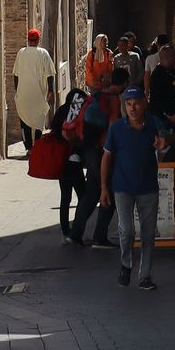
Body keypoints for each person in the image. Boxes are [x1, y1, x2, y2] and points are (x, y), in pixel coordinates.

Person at [100, 85, 173, 290]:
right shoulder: (116, 128)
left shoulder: (153, 124)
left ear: (144, 103)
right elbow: (107, 157)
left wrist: (164, 142)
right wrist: (104, 188)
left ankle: (145, 276)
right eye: (128, 104)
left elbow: (169, 137)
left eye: (136, 104)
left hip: (148, 187)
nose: (132, 108)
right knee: (126, 230)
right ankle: (126, 264)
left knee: (149, 234)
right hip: (122, 187)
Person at [68, 67, 125, 247]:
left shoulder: (99, 95)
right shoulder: (114, 99)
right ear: (124, 83)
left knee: (91, 193)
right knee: (109, 192)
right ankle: (100, 236)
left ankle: (75, 233)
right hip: (103, 152)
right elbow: (114, 127)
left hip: (90, 150)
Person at [53, 78, 92, 240]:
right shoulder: (75, 115)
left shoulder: (60, 111)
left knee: (65, 197)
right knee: (83, 196)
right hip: (73, 161)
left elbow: (54, 130)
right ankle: (76, 230)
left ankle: (65, 231)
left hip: (60, 160)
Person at [13, 28, 56, 158]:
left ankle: (29, 148)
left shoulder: (21, 52)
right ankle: (36, 145)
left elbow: (15, 74)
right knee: (38, 120)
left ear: (28, 40)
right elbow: (50, 74)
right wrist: (51, 90)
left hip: (23, 93)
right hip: (38, 93)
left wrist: (17, 90)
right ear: (38, 40)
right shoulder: (43, 53)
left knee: (24, 119)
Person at [146, 45, 175, 120]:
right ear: (166, 58)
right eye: (173, 56)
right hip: (162, 116)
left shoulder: (173, 71)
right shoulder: (158, 74)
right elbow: (174, 84)